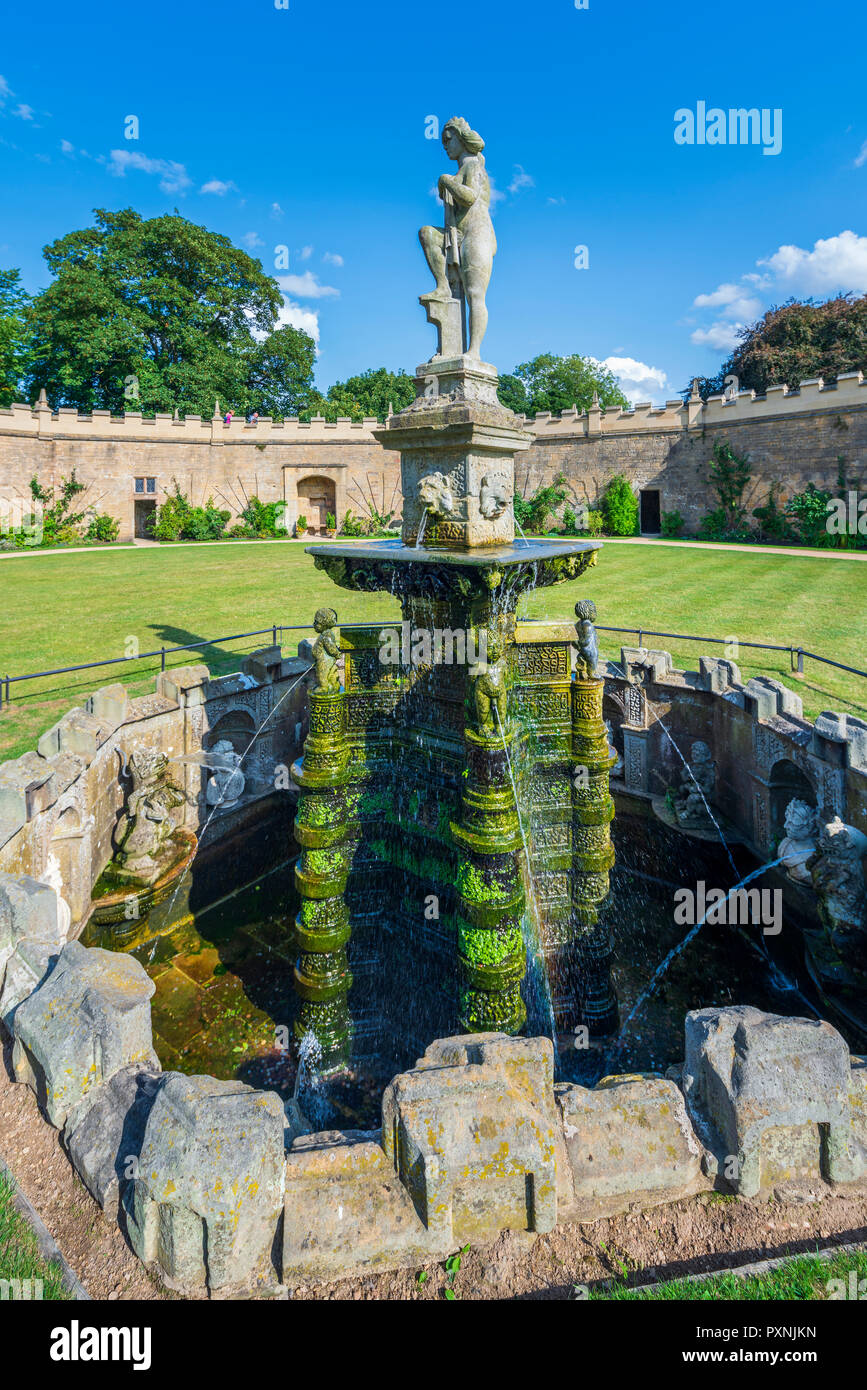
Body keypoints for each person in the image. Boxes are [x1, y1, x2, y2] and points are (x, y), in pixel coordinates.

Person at [419, 117, 496, 359]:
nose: (445, 145)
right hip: (459, 234)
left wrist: (446, 181)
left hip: (478, 234)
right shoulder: (462, 169)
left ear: (461, 139)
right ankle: (443, 286)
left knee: (475, 295)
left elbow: (470, 197)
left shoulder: (473, 165)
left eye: (448, 140)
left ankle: (474, 353)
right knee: (428, 234)